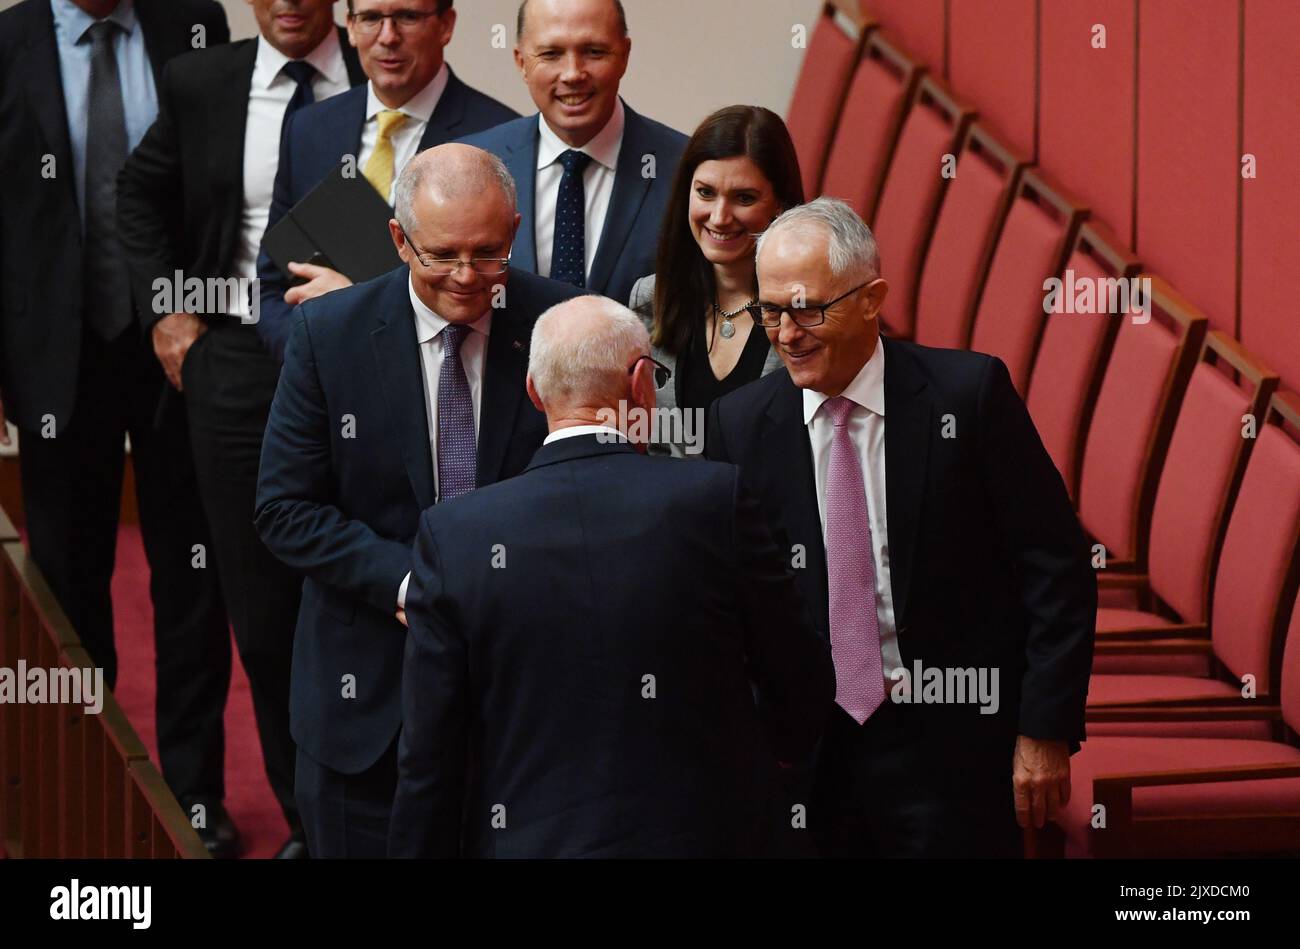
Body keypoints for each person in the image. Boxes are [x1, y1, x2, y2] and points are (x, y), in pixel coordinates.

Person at [706, 198, 1096, 857]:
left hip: (951, 750)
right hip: (807, 758)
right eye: (769, 311)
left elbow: (1054, 563)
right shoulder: (739, 426)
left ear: (871, 298)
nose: (786, 333)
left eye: (808, 308)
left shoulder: (967, 397)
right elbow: (723, 604)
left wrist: (1044, 727)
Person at [387, 296, 833, 858]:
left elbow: (429, 756)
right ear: (642, 383)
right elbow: (799, 679)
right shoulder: (714, 499)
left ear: (534, 391)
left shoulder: (455, 534)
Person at [254, 145, 582, 859]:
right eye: (443, 255)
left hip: (524, 712)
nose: (467, 278)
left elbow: (589, 497)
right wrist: (409, 583)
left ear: (517, 230)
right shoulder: (328, 334)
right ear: (399, 239)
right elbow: (285, 508)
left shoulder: (563, 328)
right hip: (365, 711)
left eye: (488, 253)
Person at [116, 0, 367, 860]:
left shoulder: (383, 73)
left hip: (359, 364)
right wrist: (167, 310)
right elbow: (138, 193)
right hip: (229, 360)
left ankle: (355, 812)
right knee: (244, 599)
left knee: (344, 591)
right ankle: (286, 815)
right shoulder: (202, 80)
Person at [0, 0, 235, 852]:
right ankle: (83, 792)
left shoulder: (192, 20)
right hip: (53, 354)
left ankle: (195, 796)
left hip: (178, 346)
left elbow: (219, 184)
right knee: (66, 578)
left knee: (192, 575)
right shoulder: (9, 40)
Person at [254, 0, 518, 361]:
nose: (388, 37)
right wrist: (319, 359)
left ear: (446, 25)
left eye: (407, 17)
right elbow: (270, 288)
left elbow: (497, 292)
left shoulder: (500, 138)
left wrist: (352, 312)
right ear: (349, 25)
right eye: (371, 18)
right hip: (322, 389)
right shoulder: (308, 128)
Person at [458, 0, 686, 305]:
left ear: (625, 55)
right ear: (521, 62)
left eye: (594, 52)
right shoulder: (472, 165)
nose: (573, 74)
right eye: (551, 54)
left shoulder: (687, 170)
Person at [629, 105, 803, 457]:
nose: (720, 218)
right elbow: (641, 444)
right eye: (706, 193)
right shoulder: (648, 300)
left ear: (780, 206)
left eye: (744, 198)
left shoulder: (809, 312)